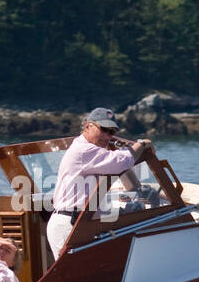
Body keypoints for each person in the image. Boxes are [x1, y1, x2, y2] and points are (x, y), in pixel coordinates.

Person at [47, 108, 152, 258]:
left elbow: (118, 167)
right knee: (76, 278)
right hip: (70, 224)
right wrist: (142, 144)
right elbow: (123, 161)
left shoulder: (88, 149)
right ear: (87, 126)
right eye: (103, 129)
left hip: (77, 222)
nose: (107, 136)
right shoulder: (85, 150)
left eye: (111, 132)